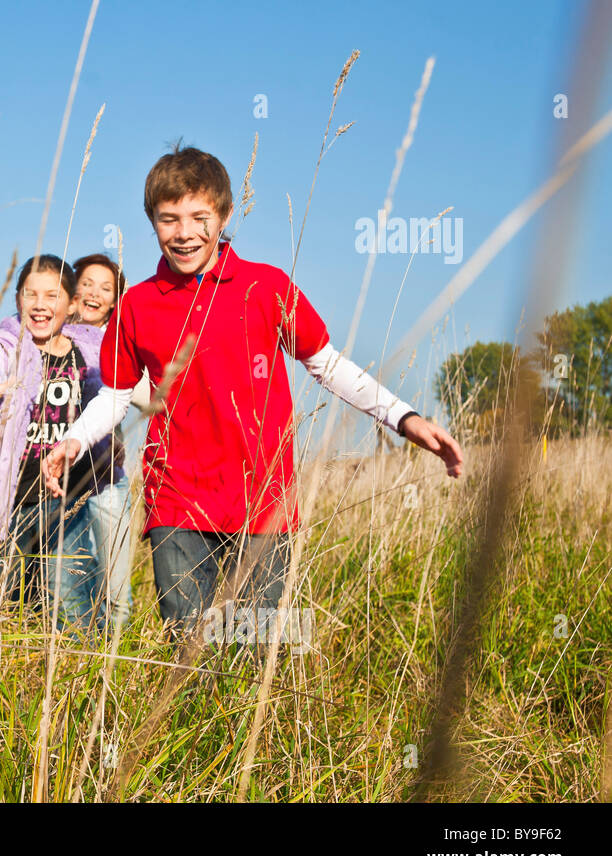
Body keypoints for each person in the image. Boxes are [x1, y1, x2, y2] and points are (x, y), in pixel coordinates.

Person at [45, 146, 465, 641]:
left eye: (199, 217)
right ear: (152, 221)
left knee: (255, 642)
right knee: (190, 647)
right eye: (168, 219)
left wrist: (405, 417)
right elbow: (116, 395)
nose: (184, 233)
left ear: (223, 215)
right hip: (176, 499)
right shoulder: (137, 304)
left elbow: (327, 365)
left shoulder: (264, 287)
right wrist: (74, 439)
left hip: (264, 499)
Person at [0, 255, 122, 633]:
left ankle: (82, 663)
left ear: (72, 303)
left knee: (66, 589)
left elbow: (113, 395)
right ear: (18, 300)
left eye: (52, 294)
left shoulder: (90, 347)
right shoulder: (5, 345)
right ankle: (21, 667)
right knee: (14, 596)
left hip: (69, 496)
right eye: (30, 294)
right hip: (14, 496)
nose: (39, 304)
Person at [65, 253, 145, 632]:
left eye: (106, 288)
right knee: (68, 586)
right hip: (56, 485)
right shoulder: (49, 340)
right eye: (87, 284)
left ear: (116, 300)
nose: (95, 294)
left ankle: (115, 667)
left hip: (105, 479)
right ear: (71, 289)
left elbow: (149, 396)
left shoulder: (121, 343)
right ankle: (75, 663)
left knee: (115, 587)